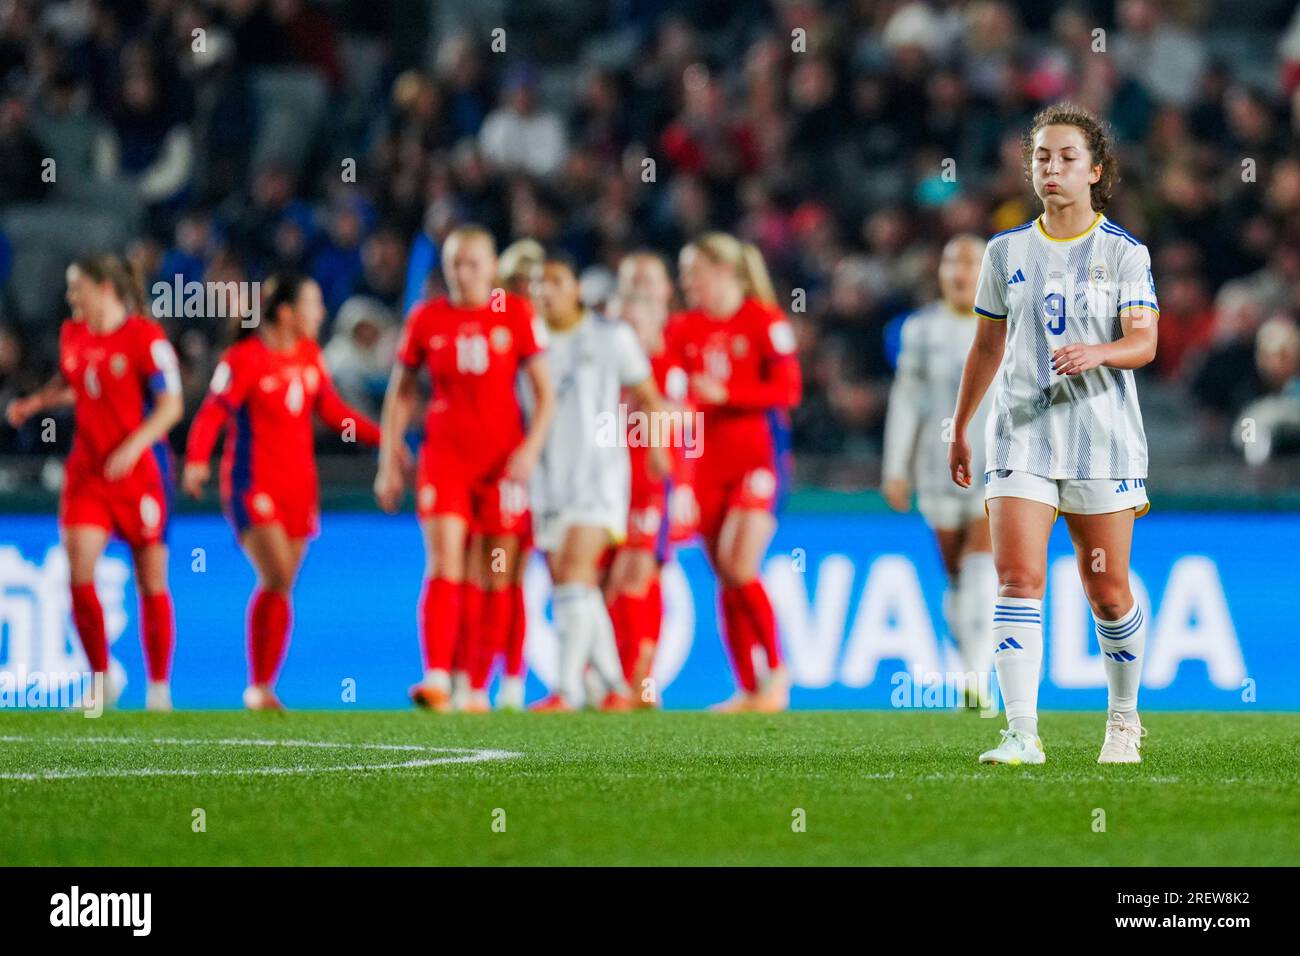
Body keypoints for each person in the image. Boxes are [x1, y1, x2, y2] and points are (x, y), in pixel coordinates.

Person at [949, 102, 1159, 765]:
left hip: (1101, 438)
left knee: (1108, 589)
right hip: (1019, 433)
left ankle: (1123, 720)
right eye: (1042, 157)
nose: (1053, 168)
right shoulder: (1005, 251)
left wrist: (1100, 352)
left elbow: (1146, 341)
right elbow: (985, 348)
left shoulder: (1123, 252)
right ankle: (1020, 733)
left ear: (1096, 170)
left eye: (1067, 157)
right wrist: (960, 428)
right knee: (1017, 578)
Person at [375, 225, 554, 712]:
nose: (463, 273)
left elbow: (545, 393)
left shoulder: (515, 314)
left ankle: (475, 683)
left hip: (502, 463)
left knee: (494, 574)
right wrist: (389, 456)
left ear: (492, 266)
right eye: (455, 263)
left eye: (473, 263)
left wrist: (531, 448)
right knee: (445, 563)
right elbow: (403, 390)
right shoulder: (427, 318)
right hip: (445, 459)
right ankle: (436, 676)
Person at [183, 274, 381, 710]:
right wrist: (197, 460)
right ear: (287, 312)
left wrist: (380, 437)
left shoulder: (310, 356)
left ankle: (265, 685)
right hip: (252, 485)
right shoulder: (243, 359)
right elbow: (212, 415)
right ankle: (256, 687)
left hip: (299, 488)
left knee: (282, 584)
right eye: (313, 303)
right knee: (275, 574)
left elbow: (331, 411)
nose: (321, 313)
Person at [6, 254, 182, 711]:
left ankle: (159, 689)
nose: (70, 297)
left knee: (151, 580)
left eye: (76, 286)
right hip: (89, 471)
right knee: (79, 569)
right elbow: (77, 382)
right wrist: (36, 404)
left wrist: (134, 445)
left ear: (105, 288)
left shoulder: (145, 337)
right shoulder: (74, 335)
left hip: (139, 472)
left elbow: (171, 406)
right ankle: (102, 680)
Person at [527, 253, 671, 712]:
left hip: (601, 477)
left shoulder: (611, 337)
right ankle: (613, 682)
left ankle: (567, 689)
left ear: (576, 290)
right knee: (575, 586)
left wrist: (657, 446)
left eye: (555, 281)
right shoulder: (528, 340)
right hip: (546, 479)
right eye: (538, 283)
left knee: (575, 573)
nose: (544, 291)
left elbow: (650, 397)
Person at [672, 233, 802, 712]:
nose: (687, 283)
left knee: (739, 564)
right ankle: (749, 688)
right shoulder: (682, 329)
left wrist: (728, 393)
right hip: (707, 466)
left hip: (758, 461)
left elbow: (788, 390)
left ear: (724, 272)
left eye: (694, 273)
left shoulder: (764, 321)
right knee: (725, 575)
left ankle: (777, 673)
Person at [882, 234, 996, 708]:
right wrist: (895, 467)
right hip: (937, 465)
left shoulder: (1006, 324)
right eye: (951, 263)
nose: (959, 272)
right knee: (955, 577)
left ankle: (977, 677)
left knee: (980, 565)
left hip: (997, 464)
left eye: (970, 264)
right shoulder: (920, 329)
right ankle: (969, 664)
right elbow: (907, 399)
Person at [604, 251, 696, 704]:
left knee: (637, 577)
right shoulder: (610, 349)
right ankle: (620, 680)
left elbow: (684, 412)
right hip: (604, 482)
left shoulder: (674, 347)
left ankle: (637, 679)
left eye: (648, 279)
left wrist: (679, 471)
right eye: (631, 279)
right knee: (611, 583)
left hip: (651, 481)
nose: (640, 287)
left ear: (665, 290)